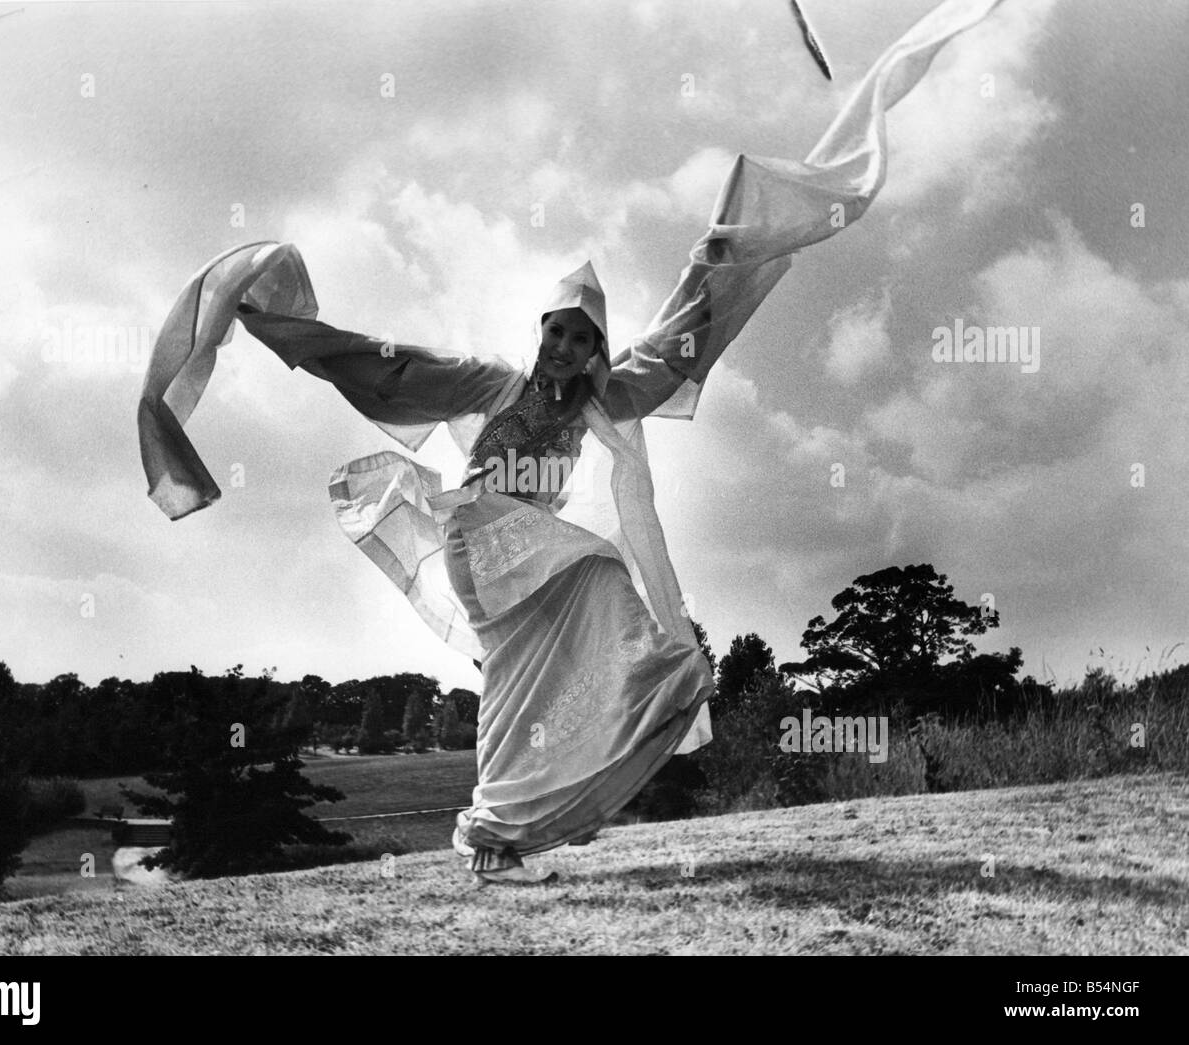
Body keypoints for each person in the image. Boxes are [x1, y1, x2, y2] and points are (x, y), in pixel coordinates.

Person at [137, 0, 1007, 884]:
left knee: (518, 689)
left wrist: (713, 264)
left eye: (579, 337)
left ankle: (497, 833)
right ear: (540, 333)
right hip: (480, 536)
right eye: (554, 331)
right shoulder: (490, 381)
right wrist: (288, 332)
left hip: (524, 559)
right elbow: (382, 365)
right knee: (598, 569)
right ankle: (541, 786)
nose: (562, 348)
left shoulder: (608, 391)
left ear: (594, 346)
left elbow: (677, 341)